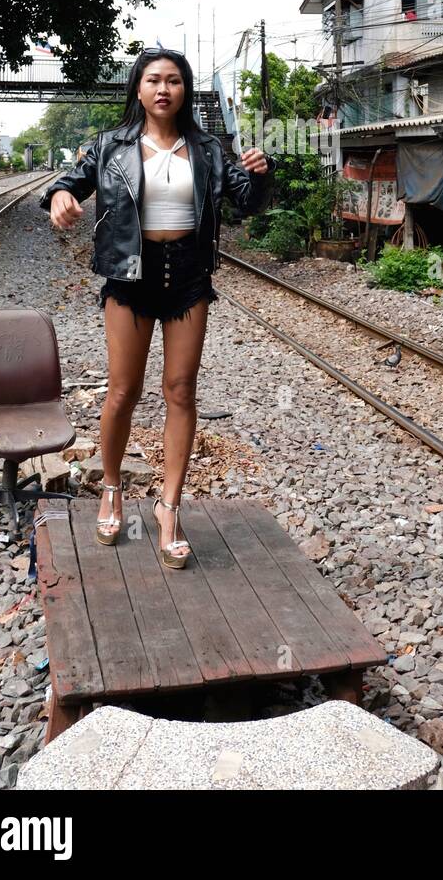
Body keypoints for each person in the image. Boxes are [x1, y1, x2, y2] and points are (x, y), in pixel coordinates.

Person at [39, 48, 275, 568]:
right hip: (130, 277)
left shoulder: (208, 149)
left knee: (181, 391)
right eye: (153, 80)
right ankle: (112, 487)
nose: (163, 88)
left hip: (188, 276)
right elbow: (67, 183)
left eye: (173, 80)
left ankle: (169, 508)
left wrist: (260, 173)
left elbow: (247, 200)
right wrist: (59, 197)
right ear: (139, 90)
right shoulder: (110, 147)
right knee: (123, 391)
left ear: (184, 90)